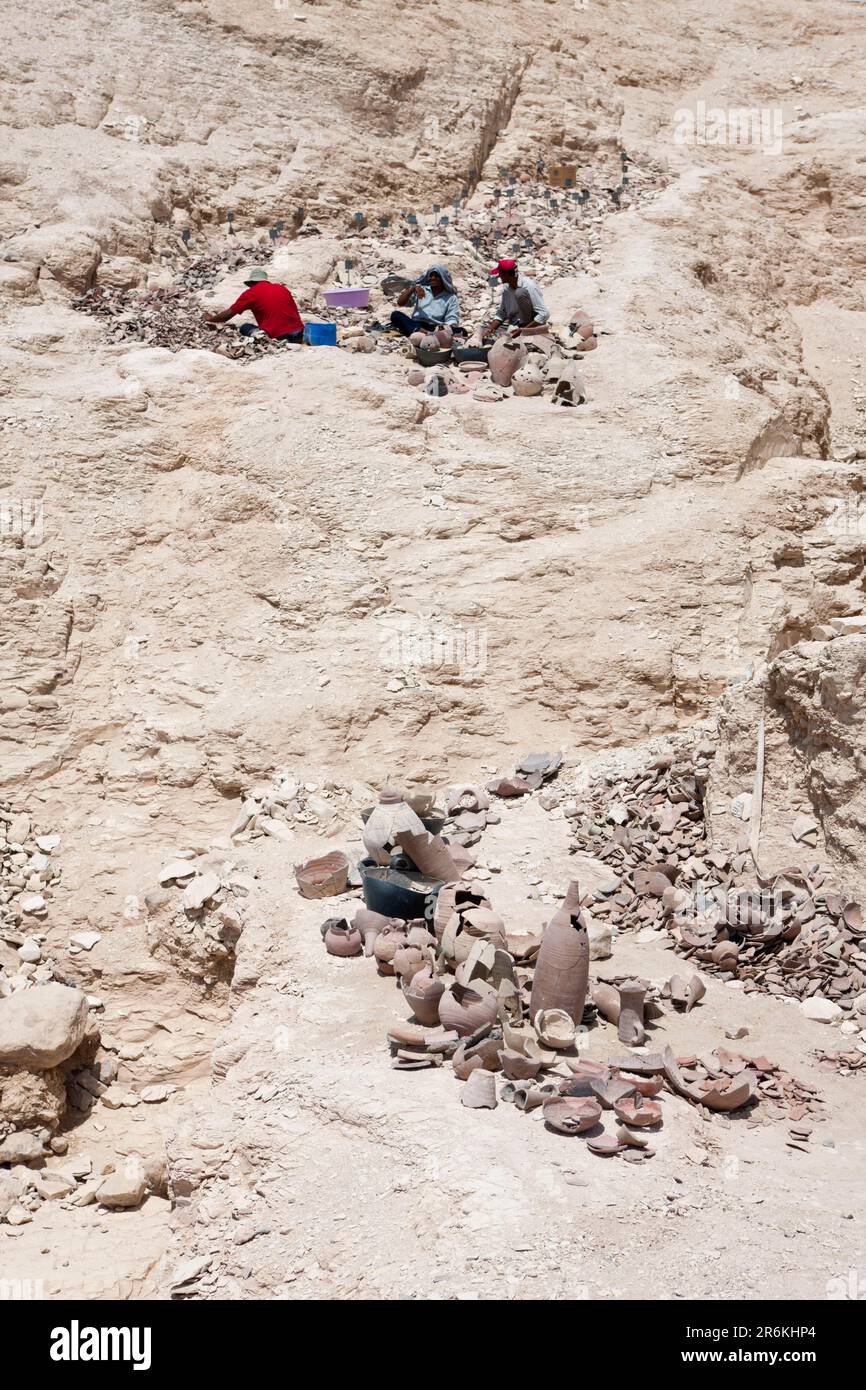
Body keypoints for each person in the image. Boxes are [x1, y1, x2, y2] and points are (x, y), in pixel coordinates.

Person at [204, 268, 305, 342]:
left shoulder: (250, 293)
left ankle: (266, 339)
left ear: (251, 283)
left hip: (279, 336)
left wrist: (211, 319)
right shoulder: (281, 288)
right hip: (300, 333)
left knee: (245, 327)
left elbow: (227, 316)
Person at [483, 258, 550, 336]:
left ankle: (525, 329)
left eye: (500, 273)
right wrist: (492, 328)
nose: (499, 276)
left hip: (530, 325)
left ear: (507, 274)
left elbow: (544, 313)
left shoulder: (529, 286)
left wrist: (523, 331)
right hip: (514, 324)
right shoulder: (506, 287)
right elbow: (502, 312)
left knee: (520, 293)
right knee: (482, 328)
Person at [389, 264, 461, 337]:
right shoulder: (421, 290)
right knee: (396, 315)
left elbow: (452, 318)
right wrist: (413, 289)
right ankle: (426, 333)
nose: (433, 278)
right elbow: (400, 303)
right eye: (431, 276)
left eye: (436, 276)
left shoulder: (451, 297)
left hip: (435, 327)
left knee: (461, 331)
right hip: (417, 324)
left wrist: (443, 328)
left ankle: (424, 334)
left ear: (443, 279)